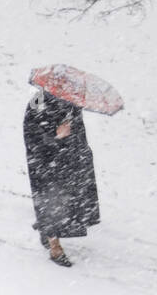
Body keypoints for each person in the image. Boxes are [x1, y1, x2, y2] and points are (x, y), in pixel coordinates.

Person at [23, 89, 101, 267]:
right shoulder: (39, 101)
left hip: (69, 160)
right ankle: (54, 246)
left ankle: (48, 230)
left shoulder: (72, 101)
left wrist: (80, 150)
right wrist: (55, 135)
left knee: (68, 201)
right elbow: (32, 132)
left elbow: (78, 129)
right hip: (46, 161)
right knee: (50, 200)